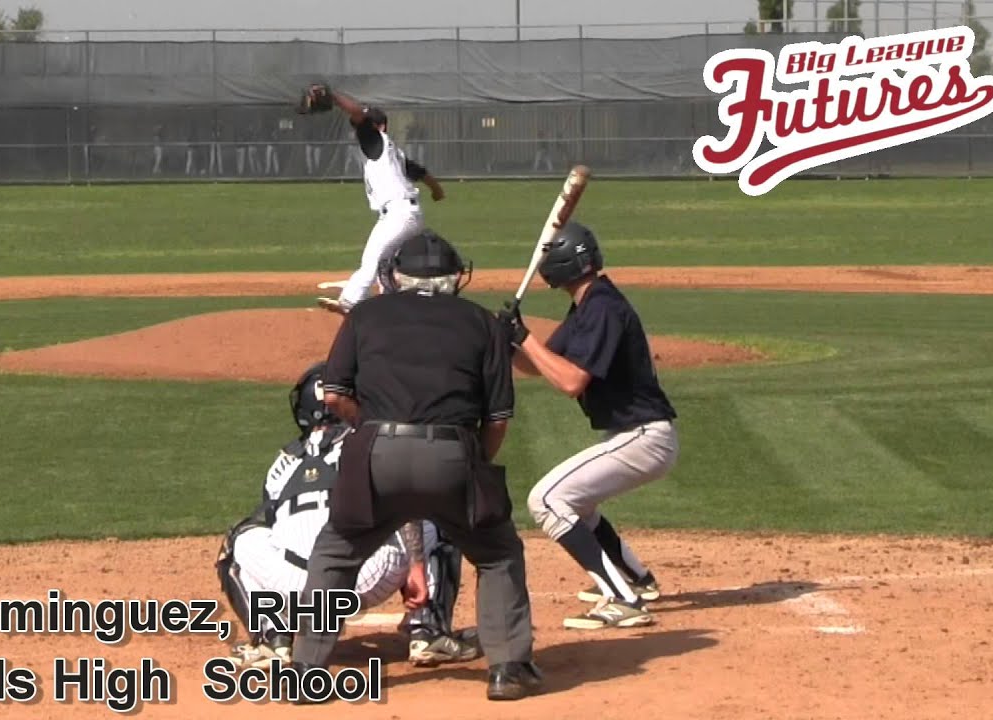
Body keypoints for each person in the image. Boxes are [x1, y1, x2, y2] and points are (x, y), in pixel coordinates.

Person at [293, 230, 543, 702]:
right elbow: (496, 420)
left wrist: (374, 430)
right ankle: (508, 667)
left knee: (337, 552)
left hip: (374, 455)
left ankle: (307, 669)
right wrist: (473, 464)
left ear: (395, 277)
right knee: (496, 552)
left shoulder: (364, 316)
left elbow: (335, 395)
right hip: (453, 453)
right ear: (455, 277)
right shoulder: (482, 323)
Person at [214, 361, 481, 670]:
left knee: (240, 540)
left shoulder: (282, 461)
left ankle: (271, 639)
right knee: (433, 514)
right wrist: (415, 561)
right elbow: (407, 499)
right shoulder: (370, 441)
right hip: (363, 579)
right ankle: (428, 633)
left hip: (291, 587)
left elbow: (271, 522)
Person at [498, 222, 678, 630]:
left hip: (644, 438)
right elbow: (539, 364)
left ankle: (622, 599)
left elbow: (571, 381)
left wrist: (523, 336)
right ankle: (636, 578)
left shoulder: (602, 307)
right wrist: (508, 342)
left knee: (545, 500)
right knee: (575, 501)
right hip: (638, 435)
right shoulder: (588, 305)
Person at [312, 88, 448, 315]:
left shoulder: (376, 141)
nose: (357, 130)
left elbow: (356, 113)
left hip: (399, 214)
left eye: (362, 126)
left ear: (379, 127)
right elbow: (420, 172)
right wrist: (437, 191)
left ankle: (350, 302)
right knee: (389, 266)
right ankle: (395, 308)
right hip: (407, 214)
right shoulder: (391, 153)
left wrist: (333, 96)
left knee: (372, 257)